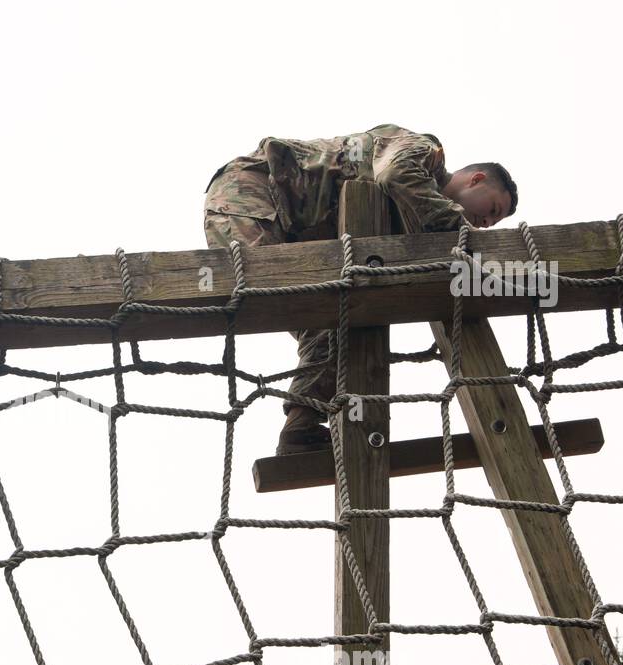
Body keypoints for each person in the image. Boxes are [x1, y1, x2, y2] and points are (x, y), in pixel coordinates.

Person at [202, 124, 517, 454]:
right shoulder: (426, 154)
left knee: (330, 322)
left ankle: (300, 426)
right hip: (254, 192)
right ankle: (303, 422)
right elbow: (395, 172)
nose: (485, 223)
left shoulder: (417, 219)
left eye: (493, 224)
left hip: (289, 227)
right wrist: (462, 234)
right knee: (266, 287)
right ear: (476, 179)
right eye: (492, 210)